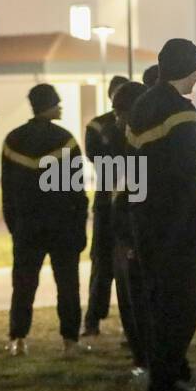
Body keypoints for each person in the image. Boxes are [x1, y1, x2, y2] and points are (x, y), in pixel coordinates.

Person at [127, 39, 196, 391]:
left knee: (159, 305)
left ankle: (171, 375)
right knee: (182, 308)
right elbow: (190, 181)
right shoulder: (183, 115)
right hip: (179, 227)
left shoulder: (141, 106)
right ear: (189, 70)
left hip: (147, 223)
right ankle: (163, 385)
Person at [1, 84, 89, 356]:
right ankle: (70, 341)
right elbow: (76, 189)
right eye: (57, 102)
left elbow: (8, 191)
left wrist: (14, 225)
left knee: (24, 284)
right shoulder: (66, 140)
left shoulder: (13, 140)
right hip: (62, 224)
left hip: (27, 225)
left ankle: (18, 339)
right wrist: (80, 223)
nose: (61, 106)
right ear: (48, 105)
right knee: (68, 284)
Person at [109, 81, 151, 384]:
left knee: (139, 303)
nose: (117, 119)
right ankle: (142, 358)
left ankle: (148, 361)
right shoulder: (123, 140)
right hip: (124, 234)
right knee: (129, 301)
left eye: (120, 112)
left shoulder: (142, 142)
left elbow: (137, 194)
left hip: (135, 236)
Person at [83, 75, 130, 337]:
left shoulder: (136, 123)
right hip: (105, 202)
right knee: (101, 263)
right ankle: (93, 320)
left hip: (129, 199)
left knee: (128, 263)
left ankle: (130, 322)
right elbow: (97, 157)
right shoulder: (98, 125)